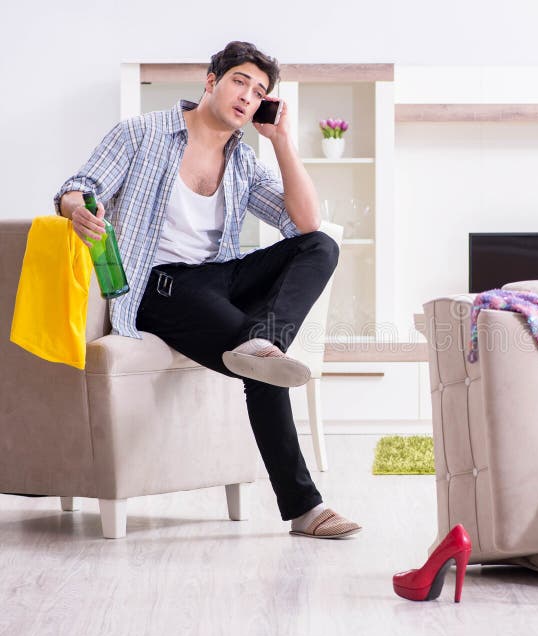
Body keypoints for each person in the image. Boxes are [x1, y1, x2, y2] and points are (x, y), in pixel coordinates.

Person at [54, 41, 361, 539]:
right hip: (157, 284)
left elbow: (305, 224)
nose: (247, 96)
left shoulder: (243, 160)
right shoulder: (142, 133)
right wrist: (77, 210)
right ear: (211, 81)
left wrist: (282, 141)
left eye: (259, 91)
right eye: (240, 81)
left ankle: (265, 340)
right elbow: (78, 185)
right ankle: (306, 509)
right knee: (262, 366)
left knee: (320, 246)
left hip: (218, 278)